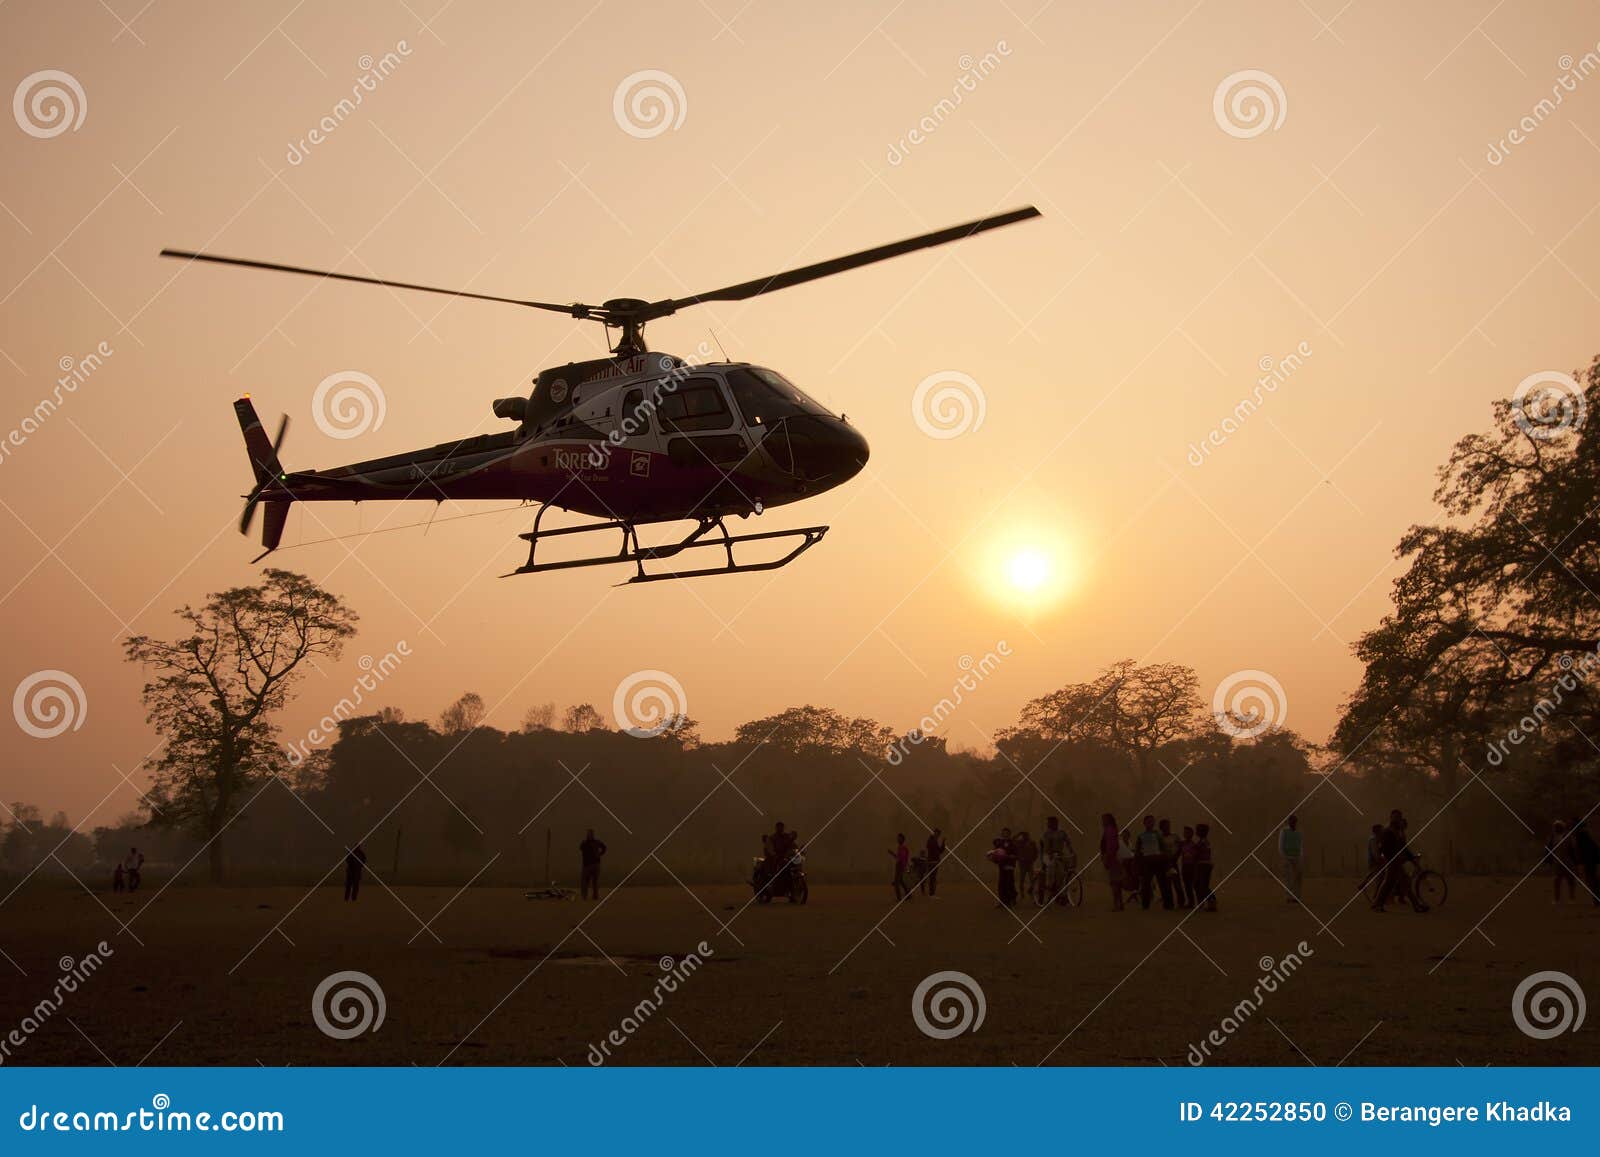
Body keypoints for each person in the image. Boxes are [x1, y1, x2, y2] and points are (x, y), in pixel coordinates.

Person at [1372, 810, 1425, 913]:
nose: (1397, 819)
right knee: (1404, 883)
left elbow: (1403, 847)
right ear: (1391, 817)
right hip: (1392, 861)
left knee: (1389, 883)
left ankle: (1376, 904)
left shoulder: (1399, 831)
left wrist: (1411, 858)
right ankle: (1416, 905)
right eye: (1395, 817)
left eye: (1399, 817)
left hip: (1397, 861)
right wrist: (1391, 858)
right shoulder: (1388, 831)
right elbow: (1383, 848)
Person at [1133, 815, 1167, 910]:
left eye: (1151, 821)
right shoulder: (1141, 836)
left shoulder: (1158, 834)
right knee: (1145, 884)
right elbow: (1138, 850)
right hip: (1147, 862)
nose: (1150, 823)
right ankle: (1145, 904)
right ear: (1144, 823)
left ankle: (1167, 904)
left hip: (1158, 861)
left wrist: (1162, 857)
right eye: (1148, 821)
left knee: (1162, 883)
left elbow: (1163, 847)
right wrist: (1138, 862)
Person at [1039, 816, 1074, 907]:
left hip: (1059, 855)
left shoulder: (1062, 833)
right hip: (1048, 855)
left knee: (1062, 874)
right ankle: (1048, 887)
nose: (1050, 824)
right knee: (1051, 868)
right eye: (1049, 823)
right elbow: (1046, 846)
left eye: (1053, 823)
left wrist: (1071, 851)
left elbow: (1068, 842)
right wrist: (1050, 853)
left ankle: (1060, 894)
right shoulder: (1047, 834)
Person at [1546, 821, 1576, 903]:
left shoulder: (1568, 836)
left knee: (1570, 880)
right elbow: (1549, 850)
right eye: (1555, 827)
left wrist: (1575, 862)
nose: (1555, 828)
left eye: (1557, 827)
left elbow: (1572, 850)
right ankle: (1556, 898)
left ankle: (1571, 897)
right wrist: (1548, 861)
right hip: (1557, 862)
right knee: (1557, 880)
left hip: (1567, 861)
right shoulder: (1552, 837)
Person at [1572, 817, 1600, 905]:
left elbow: (1580, 851)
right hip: (1591, 861)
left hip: (1589, 861)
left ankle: (1597, 900)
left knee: (1591, 881)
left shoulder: (1581, 837)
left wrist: (1579, 863)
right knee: (1592, 880)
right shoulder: (1585, 836)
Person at [1099, 813, 1124, 911]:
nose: (1103, 821)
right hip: (1115, 858)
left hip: (1112, 859)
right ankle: (1120, 903)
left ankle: (1116, 904)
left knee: (1114, 882)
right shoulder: (1113, 829)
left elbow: (1110, 846)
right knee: (1117, 882)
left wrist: (1106, 858)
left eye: (1104, 819)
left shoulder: (1109, 830)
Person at [1278, 814, 1304, 904]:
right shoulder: (1284, 831)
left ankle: (1297, 897)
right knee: (1288, 878)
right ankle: (1288, 897)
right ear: (1289, 822)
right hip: (1287, 857)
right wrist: (1284, 857)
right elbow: (1280, 845)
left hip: (1297, 857)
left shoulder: (1299, 832)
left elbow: (1300, 845)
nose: (1293, 823)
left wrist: (1301, 856)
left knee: (1298, 877)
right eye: (1291, 821)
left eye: (1294, 821)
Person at [987, 837, 1017, 908]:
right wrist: (993, 857)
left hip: (1009, 867)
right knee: (1001, 885)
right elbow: (995, 854)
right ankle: (1003, 901)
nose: (1005, 834)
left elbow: (1016, 855)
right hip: (1002, 867)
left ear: (1009, 834)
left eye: (1006, 833)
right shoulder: (1000, 844)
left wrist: (1010, 857)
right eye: (1003, 833)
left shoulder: (1013, 844)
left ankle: (1011, 900)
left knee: (1009, 884)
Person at [1155, 819, 1178, 910]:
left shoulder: (1174, 836)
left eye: (1168, 826)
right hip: (1161, 863)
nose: (1167, 828)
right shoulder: (1158, 838)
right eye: (1165, 826)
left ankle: (1172, 903)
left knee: (1171, 883)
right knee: (1163, 884)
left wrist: (1174, 857)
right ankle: (1167, 903)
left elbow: (1178, 847)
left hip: (1171, 862)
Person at [1192, 823, 1216, 912]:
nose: (1196, 831)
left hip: (1203, 865)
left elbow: (1199, 854)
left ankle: (1211, 902)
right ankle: (1205, 902)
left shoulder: (1203, 842)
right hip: (1203, 865)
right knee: (1199, 885)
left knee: (1202, 885)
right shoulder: (1203, 841)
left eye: (1197, 830)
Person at [579, 829, 607, 900]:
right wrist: (600, 854)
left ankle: (588, 896)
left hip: (591, 865)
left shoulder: (588, 843)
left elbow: (604, 848)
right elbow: (604, 848)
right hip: (591, 864)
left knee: (588, 881)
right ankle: (590, 896)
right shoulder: (587, 843)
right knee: (591, 882)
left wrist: (600, 854)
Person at [1015, 830, 1038, 902]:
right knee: (1022, 879)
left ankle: (1031, 892)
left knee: (1032, 879)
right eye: (1024, 835)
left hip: (1030, 863)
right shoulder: (1019, 843)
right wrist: (1018, 834)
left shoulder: (1032, 843)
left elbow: (1036, 851)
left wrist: (1033, 859)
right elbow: (1013, 841)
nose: (1025, 837)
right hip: (1022, 864)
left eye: (1026, 835)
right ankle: (1022, 894)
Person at [1177, 825, 1197, 909]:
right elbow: (1178, 854)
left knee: (1192, 885)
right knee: (1187, 885)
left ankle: (1195, 902)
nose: (1186, 834)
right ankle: (1190, 902)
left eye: (1188, 832)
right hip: (1185, 866)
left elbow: (1196, 857)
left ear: (1192, 834)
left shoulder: (1194, 845)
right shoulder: (1182, 844)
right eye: (1185, 832)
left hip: (1192, 866)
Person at [889, 833, 912, 901]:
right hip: (901, 866)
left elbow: (900, 858)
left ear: (902, 839)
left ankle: (899, 899)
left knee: (896, 883)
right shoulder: (902, 847)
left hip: (900, 866)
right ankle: (908, 894)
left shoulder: (902, 848)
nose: (898, 839)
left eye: (899, 838)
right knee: (901, 881)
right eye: (898, 838)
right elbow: (902, 858)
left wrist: (892, 854)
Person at [924, 828, 945, 898]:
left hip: (934, 862)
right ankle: (931, 893)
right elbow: (934, 850)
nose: (937, 835)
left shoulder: (934, 841)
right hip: (932, 862)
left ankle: (932, 893)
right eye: (936, 833)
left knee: (932, 878)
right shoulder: (931, 840)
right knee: (932, 878)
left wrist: (943, 842)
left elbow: (940, 851)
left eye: (938, 834)